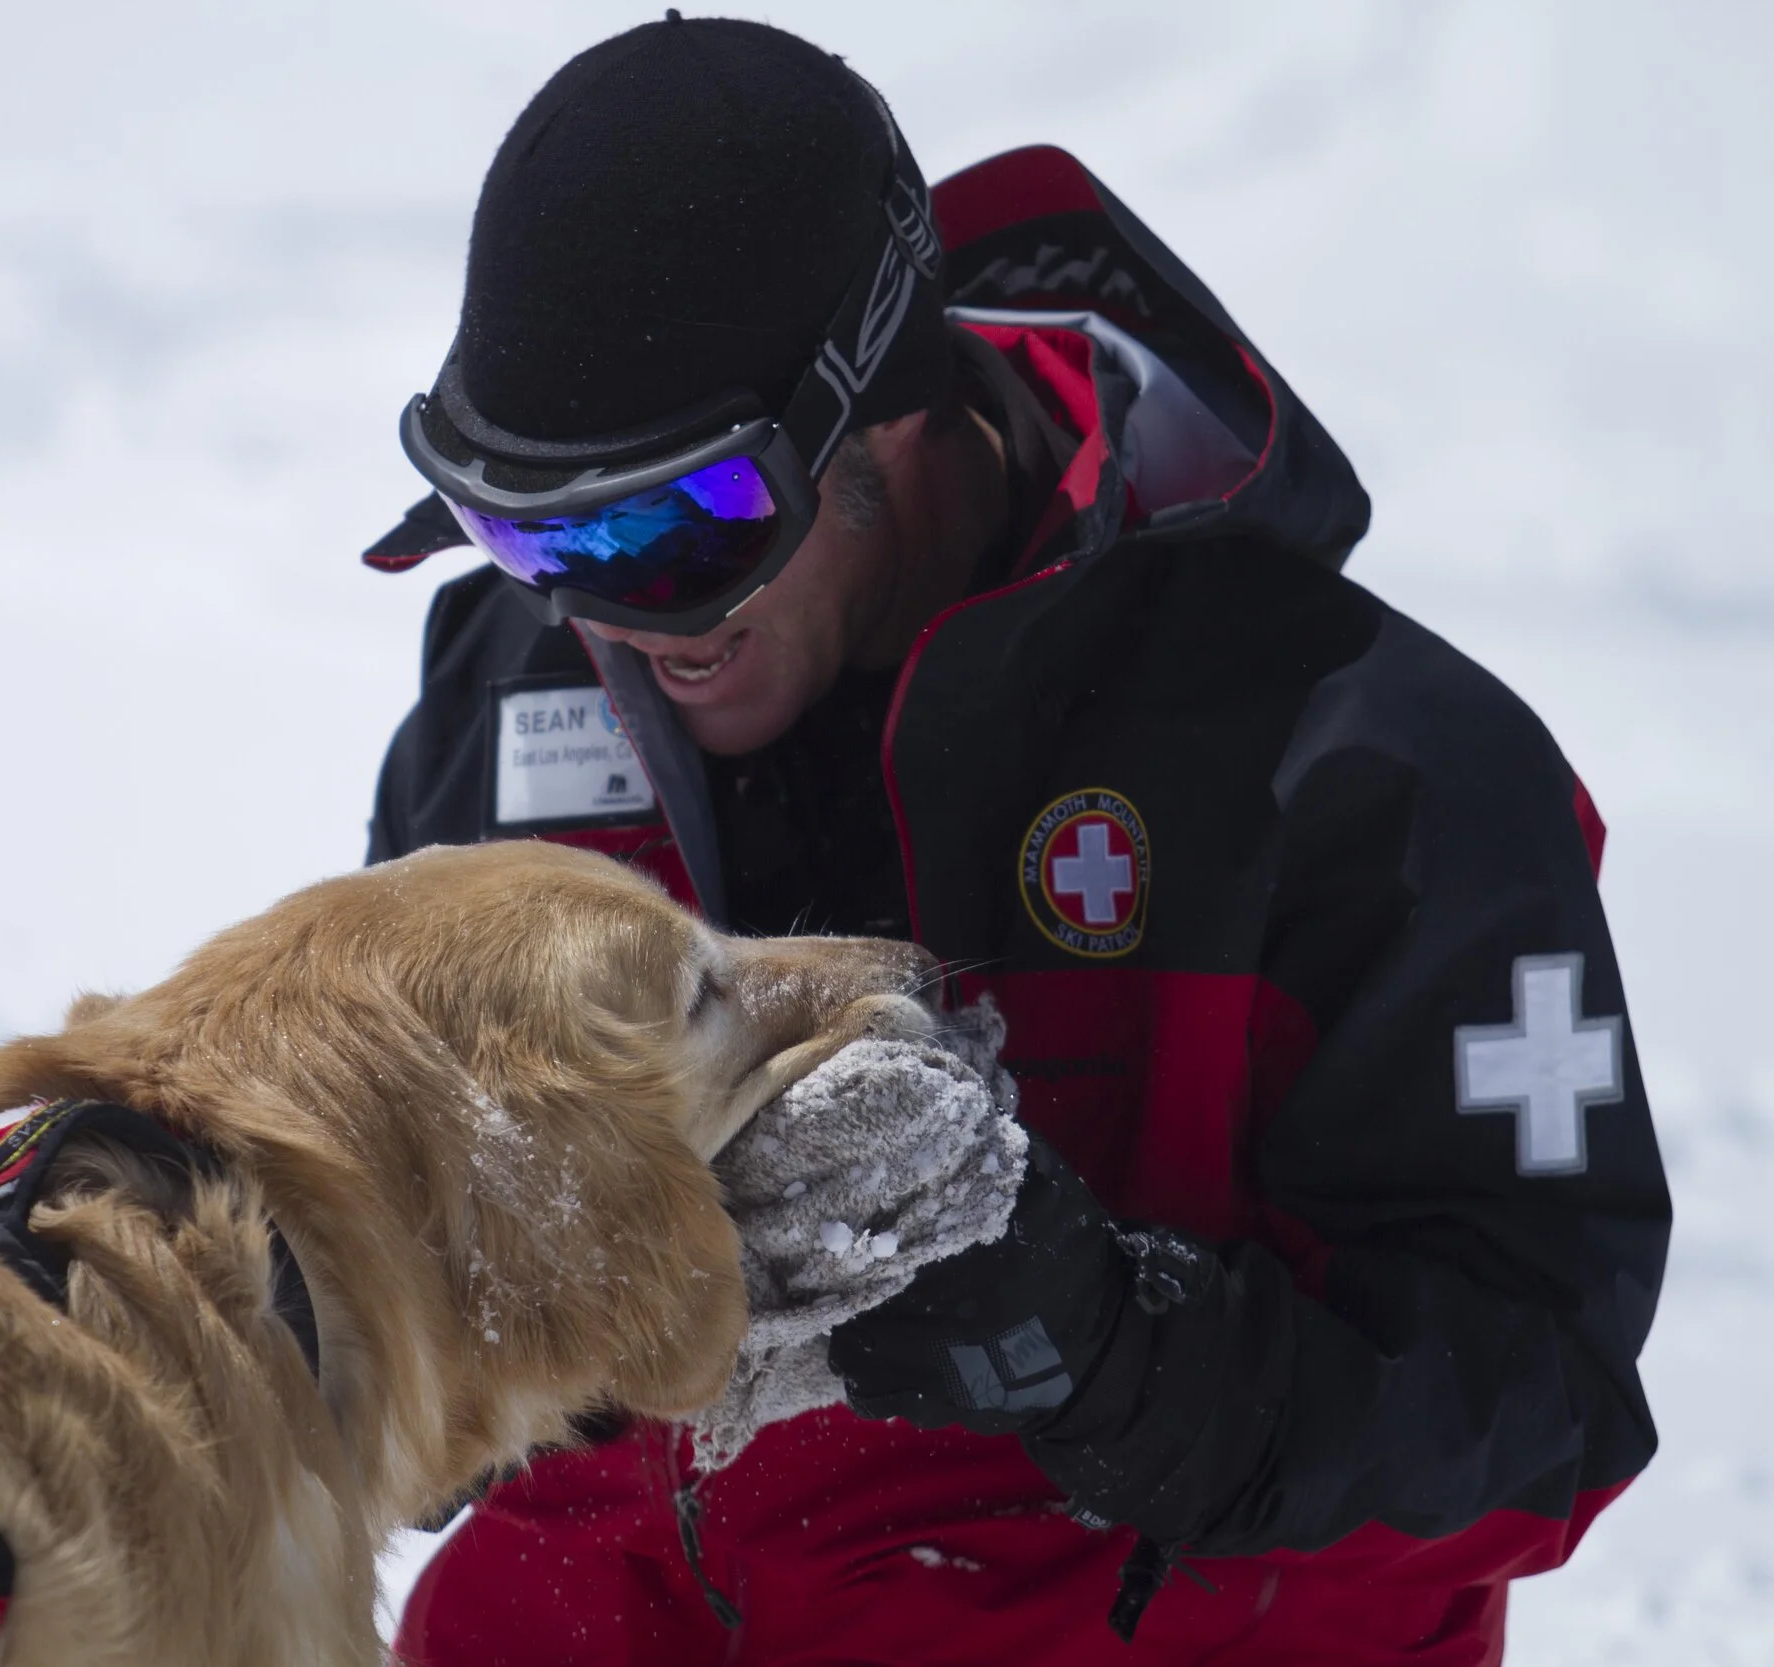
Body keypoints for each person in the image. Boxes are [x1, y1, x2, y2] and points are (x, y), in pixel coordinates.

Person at [359, 16, 1668, 1666]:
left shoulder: (1354, 763)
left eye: (676, 520)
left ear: (889, 417)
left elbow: (1550, 1402)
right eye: (520, 525)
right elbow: (403, 1257)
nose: (601, 608)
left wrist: (1121, 1354)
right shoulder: (517, 701)